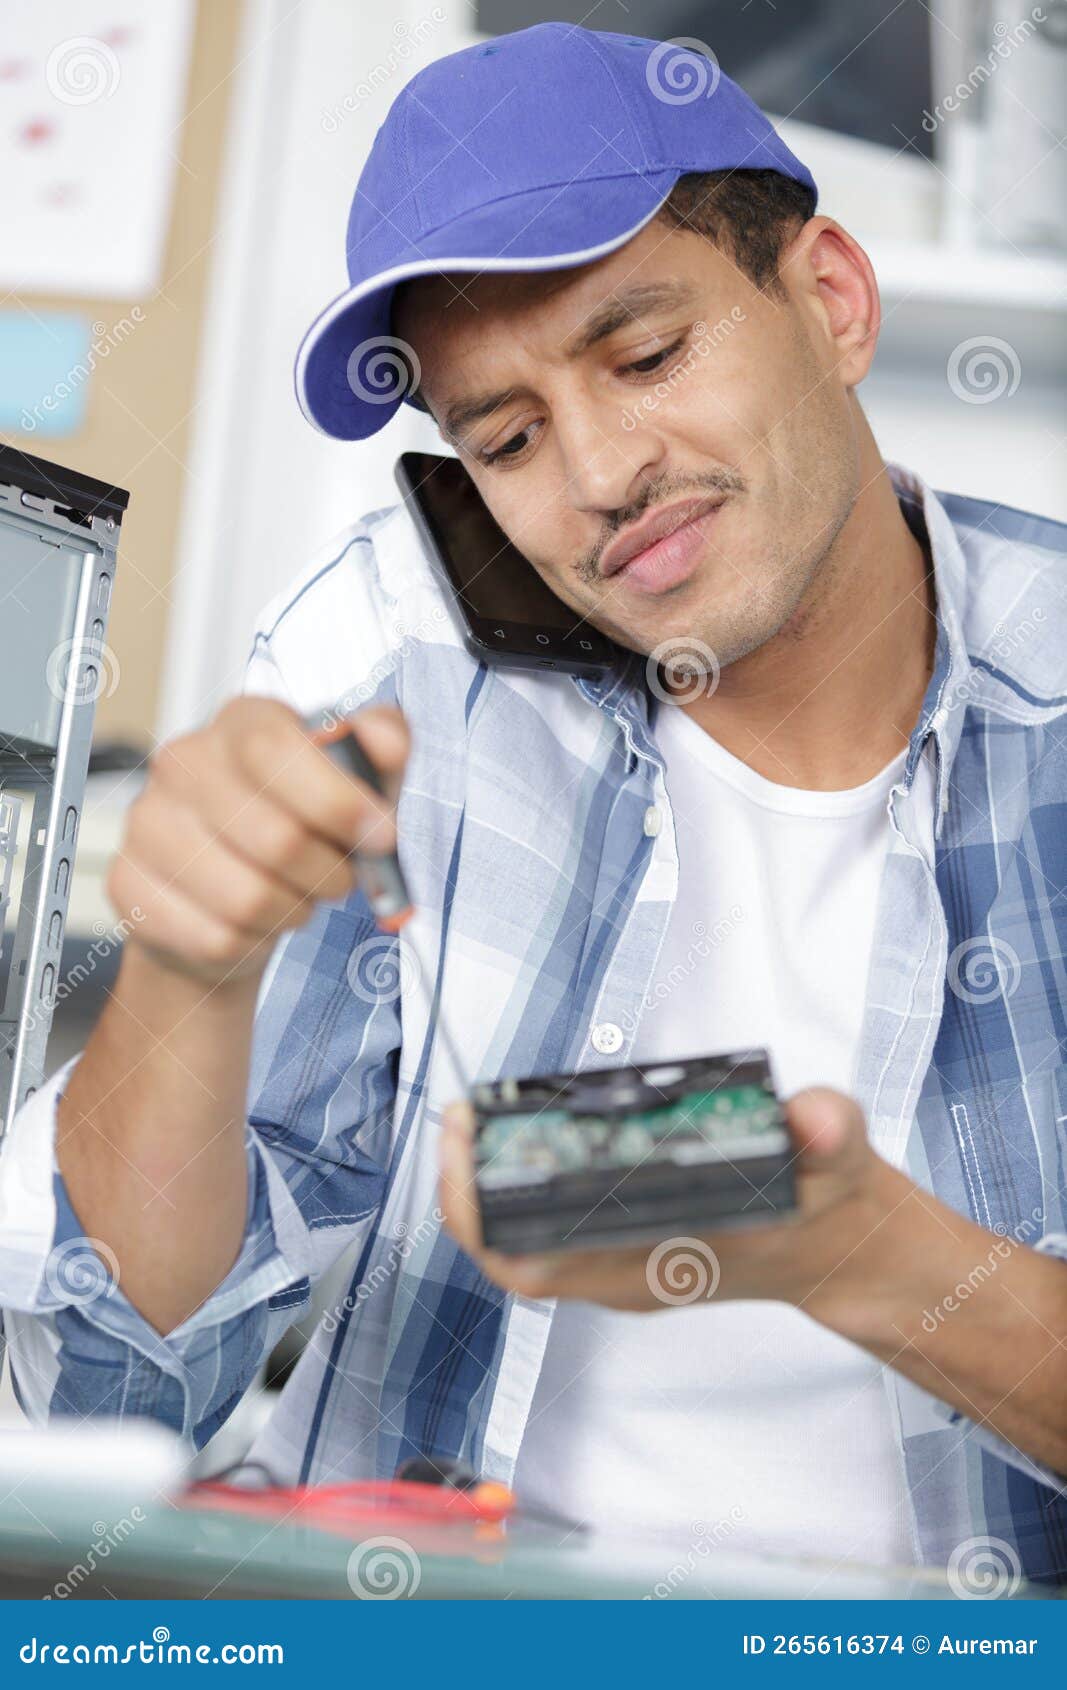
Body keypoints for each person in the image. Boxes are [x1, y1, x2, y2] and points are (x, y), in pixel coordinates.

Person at [3, 23, 1065, 1585]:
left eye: (647, 355)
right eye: (505, 436)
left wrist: (861, 1250)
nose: (603, 471)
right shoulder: (380, 666)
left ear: (829, 301)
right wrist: (186, 973)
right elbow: (106, 1402)